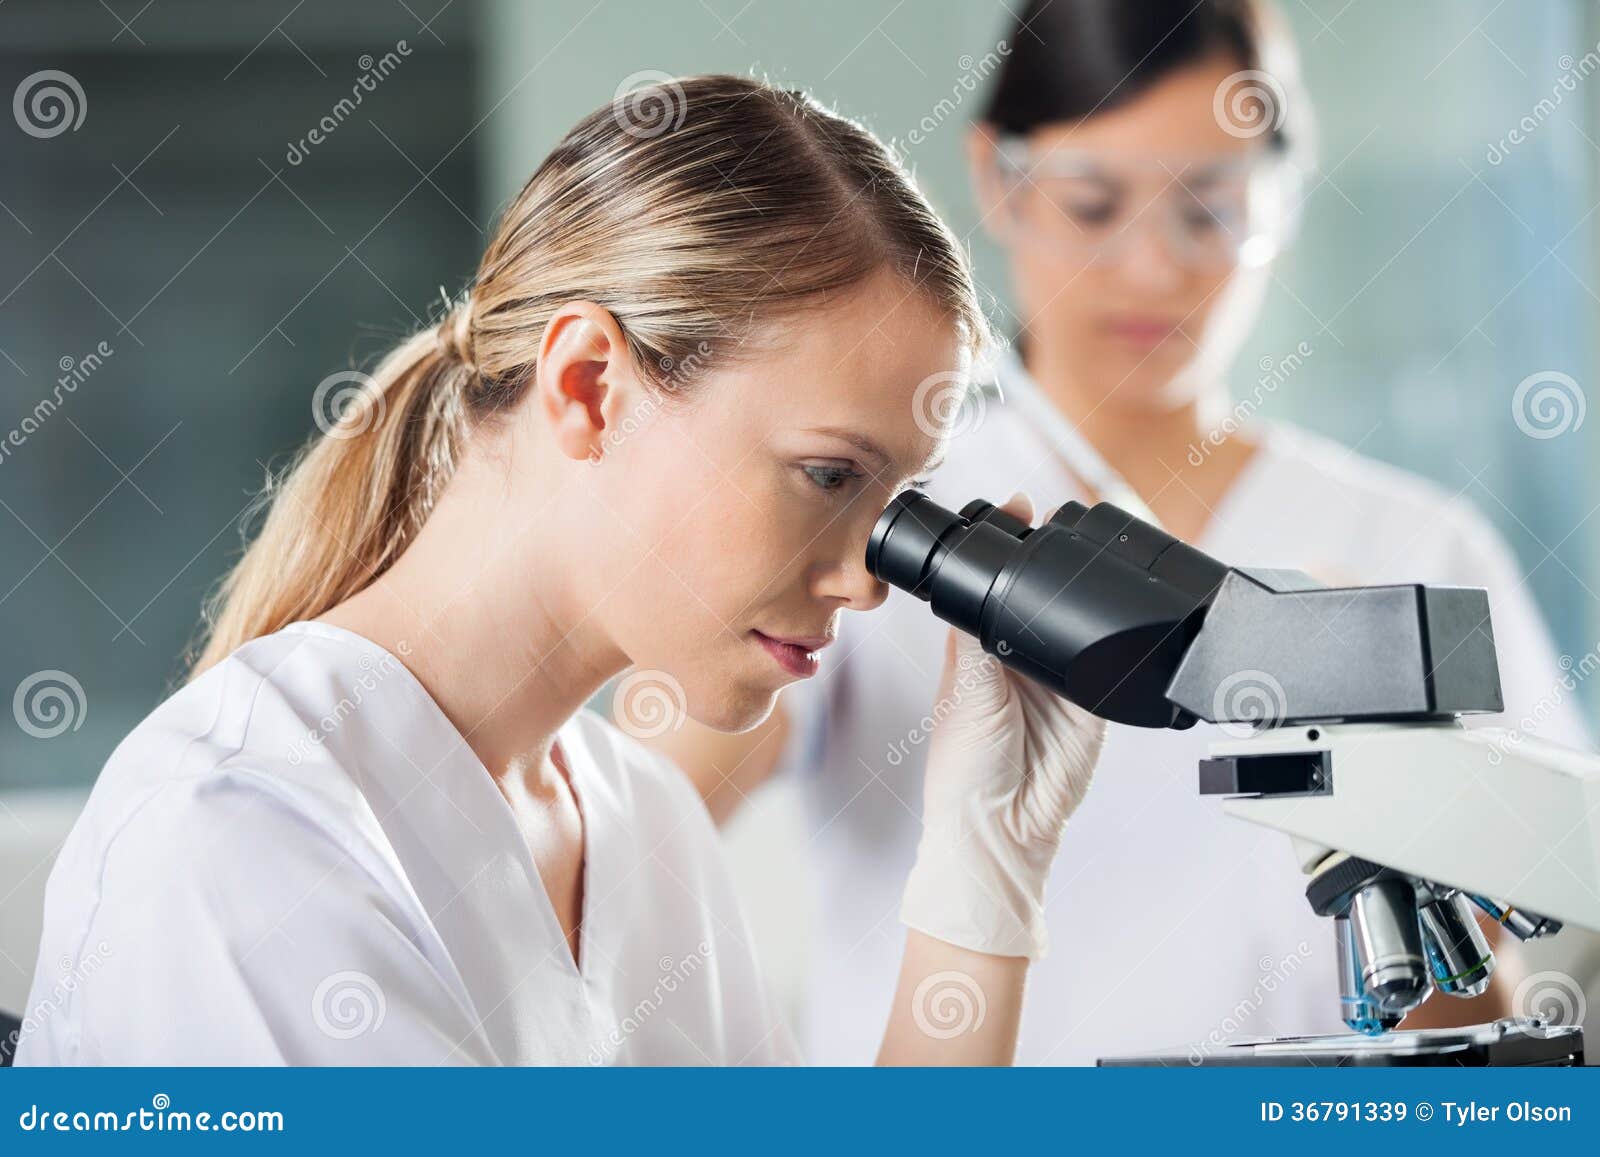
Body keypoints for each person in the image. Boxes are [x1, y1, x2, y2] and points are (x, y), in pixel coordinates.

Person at [13, 75, 1106, 1066]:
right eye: (828, 475)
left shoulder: (644, 824)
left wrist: (980, 870)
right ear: (588, 386)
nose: (867, 583)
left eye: (898, 502)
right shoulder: (243, 832)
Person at [650, 1, 1594, 1064]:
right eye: (1093, 204)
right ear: (997, 177)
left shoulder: (1415, 545)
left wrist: (1400, 817)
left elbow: (1491, 1047)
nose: (1151, 268)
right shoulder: (861, 513)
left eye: (1208, 211)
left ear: (1280, 199)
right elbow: (620, 851)